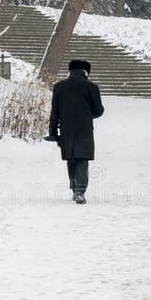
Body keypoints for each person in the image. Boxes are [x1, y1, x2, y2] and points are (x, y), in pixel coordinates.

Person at [46, 59, 104, 204]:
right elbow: (99, 111)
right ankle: (80, 191)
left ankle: (74, 187)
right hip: (85, 128)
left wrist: (53, 132)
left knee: (71, 158)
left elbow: (55, 112)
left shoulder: (59, 87)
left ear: (70, 71)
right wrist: (88, 114)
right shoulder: (92, 87)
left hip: (66, 129)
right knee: (82, 159)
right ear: (85, 72)